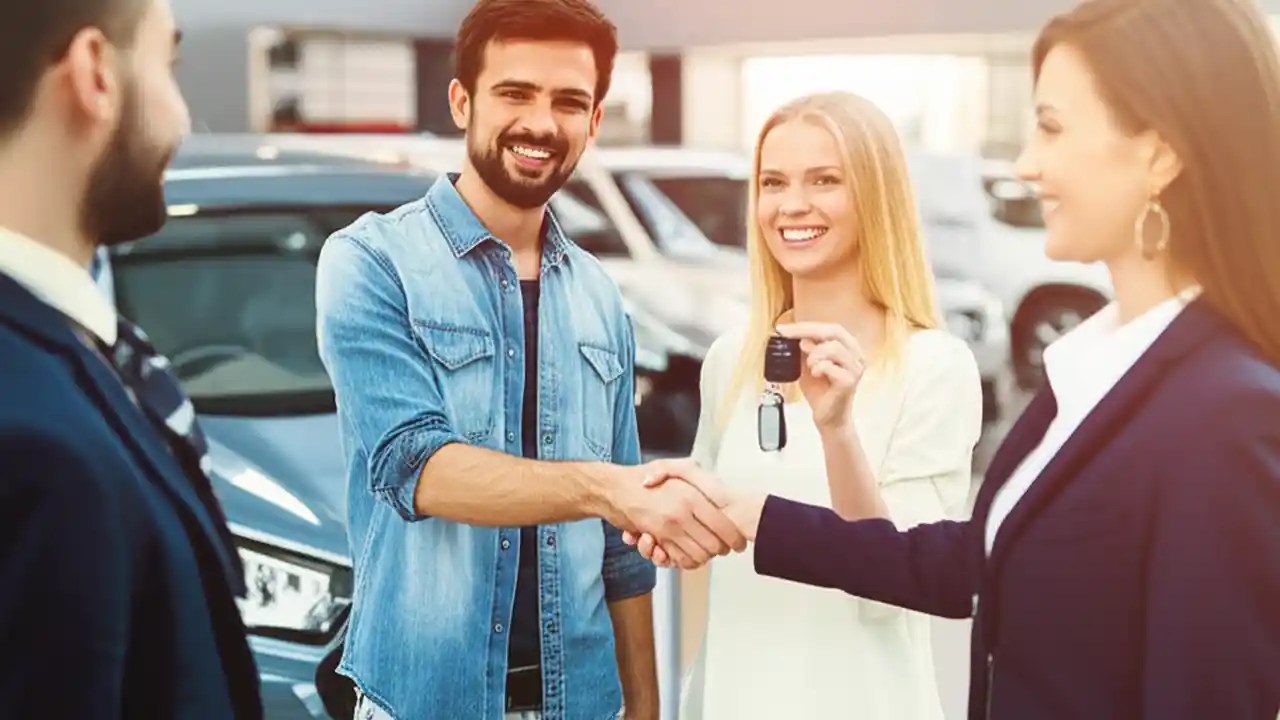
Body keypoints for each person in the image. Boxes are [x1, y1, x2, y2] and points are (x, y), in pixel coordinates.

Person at [635, 0, 1280, 718]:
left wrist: (830, 442)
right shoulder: (1086, 377)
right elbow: (956, 566)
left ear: (1159, 156)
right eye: (774, 181)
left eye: (1052, 126)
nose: (1026, 164)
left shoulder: (1224, 411)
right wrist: (735, 512)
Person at [313, 1, 744, 718]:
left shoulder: (600, 295)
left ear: (594, 122)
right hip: (425, 703)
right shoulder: (372, 261)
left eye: (568, 102)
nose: (541, 123)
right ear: (462, 102)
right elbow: (415, 467)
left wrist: (644, 708)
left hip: (583, 703)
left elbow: (621, 550)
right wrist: (608, 488)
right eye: (515, 93)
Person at [635, 92, 982, 718]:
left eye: (824, 180)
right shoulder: (729, 360)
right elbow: (713, 547)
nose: (791, 204)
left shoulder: (935, 365)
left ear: (875, 197)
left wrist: (837, 431)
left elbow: (894, 586)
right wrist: (667, 520)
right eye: (774, 182)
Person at [0, 0, 262, 718]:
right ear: (96, 74)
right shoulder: (40, 445)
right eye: (167, 66)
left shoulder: (55, 363)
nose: (183, 119)